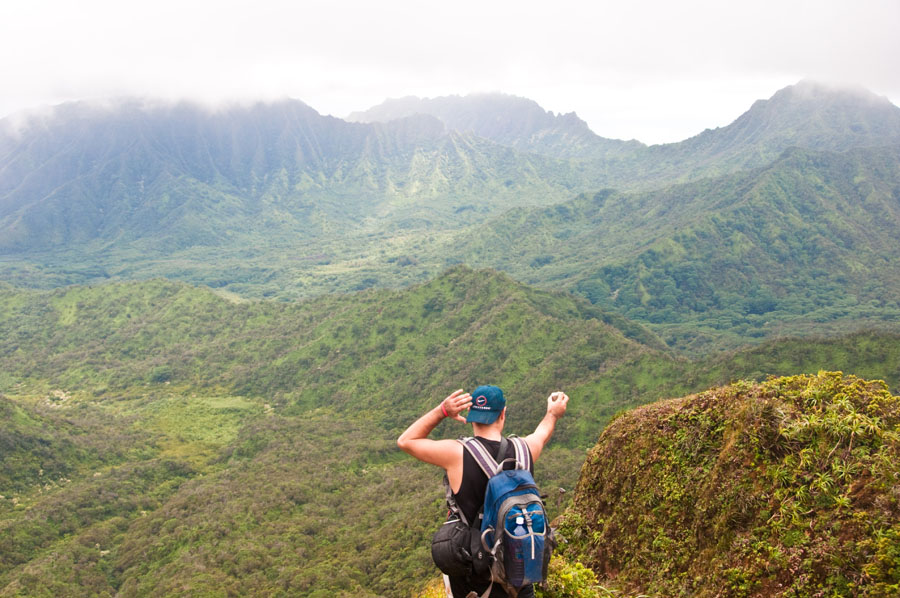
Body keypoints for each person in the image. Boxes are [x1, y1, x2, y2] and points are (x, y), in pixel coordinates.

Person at [397, 385, 569, 598]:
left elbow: (406, 441)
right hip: (518, 577)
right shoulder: (525, 450)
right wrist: (553, 412)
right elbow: (543, 432)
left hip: (475, 583)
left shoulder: (457, 454)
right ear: (503, 413)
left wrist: (442, 410)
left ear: (471, 417)